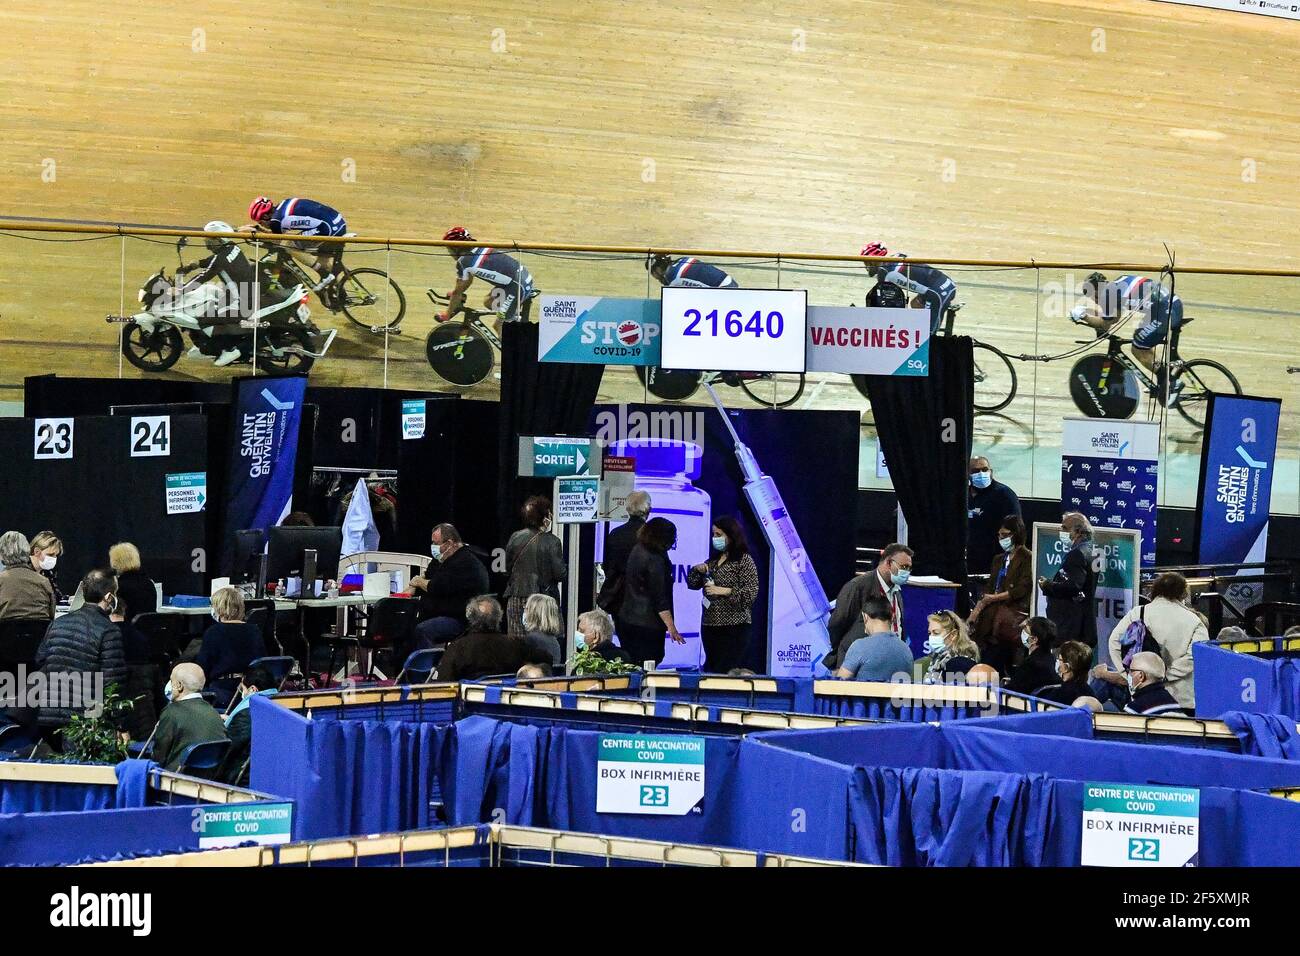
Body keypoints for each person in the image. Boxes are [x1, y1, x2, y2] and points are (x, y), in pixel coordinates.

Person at [175, 220, 286, 367]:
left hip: (241, 302)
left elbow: (202, 277)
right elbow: (214, 262)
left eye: (208, 238)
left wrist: (179, 290)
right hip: (248, 294)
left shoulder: (219, 259)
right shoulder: (233, 248)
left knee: (202, 317)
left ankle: (231, 349)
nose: (206, 241)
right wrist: (196, 264)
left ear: (219, 239)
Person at [1097, 573, 1207, 712]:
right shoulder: (1195, 621)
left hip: (1144, 698)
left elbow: (1114, 642)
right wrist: (1165, 675)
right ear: (1183, 594)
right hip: (1181, 700)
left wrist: (1130, 674)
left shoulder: (1138, 613)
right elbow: (1196, 656)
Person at [34, 569, 126, 735]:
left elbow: (40, 661)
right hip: (85, 720)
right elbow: (112, 683)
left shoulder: (57, 623)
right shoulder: (109, 631)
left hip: (49, 714)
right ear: (108, 597)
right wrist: (119, 725)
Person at [1072, 272, 1184, 377]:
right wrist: (1087, 311)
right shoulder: (1114, 286)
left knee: (1138, 348)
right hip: (1171, 306)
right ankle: (1165, 379)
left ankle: (1167, 381)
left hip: (1164, 312)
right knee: (1141, 341)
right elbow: (1114, 318)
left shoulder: (1107, 294)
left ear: (1095, 292)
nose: (1093, 300)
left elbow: (1105, 325)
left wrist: (1084, 317)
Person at [687, 516, 759, 673]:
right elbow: (692, 584)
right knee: (713, 669)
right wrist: (697, 570)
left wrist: (724, 591)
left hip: (735, 626)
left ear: (731, 536)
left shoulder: (744, 560)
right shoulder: (713, 561)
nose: (715, 538)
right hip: (710, 625)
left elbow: (750, 594)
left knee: (727, 670)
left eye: (719, 535)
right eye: (713, 534)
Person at [826, 543, 913, 668]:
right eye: (904, 567)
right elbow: (837, 623)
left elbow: (899, 626)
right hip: (857, 664)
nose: (907, 572)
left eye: (909, 568)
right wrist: (841, 652)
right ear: (888, 563)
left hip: (889, 662)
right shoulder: (858, 586)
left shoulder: (897, 592)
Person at [438, 226, 539, 333]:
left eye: (449, 248)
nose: (449, 252)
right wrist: (457, 294)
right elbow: (462, 287)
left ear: (456, 247)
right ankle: (512, 315)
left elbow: (459, 290)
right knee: (489, 301)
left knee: (499, 326)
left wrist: (447, 314)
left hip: (516, 286)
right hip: (519, 279)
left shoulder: (464, 262)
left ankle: (515, 348)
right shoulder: (478, 247)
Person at [247, 195, 348, 300]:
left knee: (290, 246)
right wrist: (258, 229)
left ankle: (324, 275)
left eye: (260, 222)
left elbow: (275, 240)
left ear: (265, 216)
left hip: (327, 228)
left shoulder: (276, 221)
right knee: (323, 263)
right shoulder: (282, 207)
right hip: (337, 223)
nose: (262, 225)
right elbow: (277, 233)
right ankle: (341, 292)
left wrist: (253, 234)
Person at [410, 523, 491, 648]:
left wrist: (419, 582)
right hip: (440, 613)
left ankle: (425, 666)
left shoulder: (465, 563)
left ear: (449, 543)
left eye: (436, 544)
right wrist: (409, 589)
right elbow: (426, 577)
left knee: (423, 630)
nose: (433, 547)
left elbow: (435, 586)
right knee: (404, 624)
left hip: (461, 619)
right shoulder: (441, 558)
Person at [969, 515, 1032, 675]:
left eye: (1005, 535)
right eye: (999, 535)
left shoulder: (1028, 558)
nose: (1001, 539)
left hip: (1011, 621)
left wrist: (994, 598)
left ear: (1016, 534)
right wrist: (977, 610)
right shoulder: (998, 560)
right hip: (990, 620)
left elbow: (1021, 589)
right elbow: (989, 589)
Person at [619, 517, 687, 666]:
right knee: (648, 666)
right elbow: (659, 597)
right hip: (648, 625)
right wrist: (672, 627)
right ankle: (647, 691)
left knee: (632, 665)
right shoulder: (655, 559)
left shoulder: (637, 549)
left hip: (628, 619)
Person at [859, 242, 957, 335]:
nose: (866, 266)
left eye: (866, 263)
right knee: (915, 304)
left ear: (873, 261)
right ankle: (917, 333)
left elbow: (884, 304)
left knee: (929, 334)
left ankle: (927, 340)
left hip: (938, 293)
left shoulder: (884, 273)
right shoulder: (894, 257)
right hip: (939, 285)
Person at [502, 497, 567, 638]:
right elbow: (560, 574)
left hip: (516, 596)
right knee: (543, 642)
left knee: (517, 643)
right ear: (545, 516)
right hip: (542, 600)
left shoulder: (515, 537)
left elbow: (507, 569)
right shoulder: (553, 541)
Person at [193, 587, 265, 710]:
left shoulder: (214, 632)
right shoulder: (255, 631)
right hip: (249, 691)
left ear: (219, 608)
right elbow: (262, 662)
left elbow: (202, 668)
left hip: (221, 692)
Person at [1037, 513, 1099, 648]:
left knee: (1066, 667)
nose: (1061, 532)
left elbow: (1073, 586)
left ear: (1078, 532)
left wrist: (1047, 585)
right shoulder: (1094, 551)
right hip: (1083, 625)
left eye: (1065, 528)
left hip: (1070, 629)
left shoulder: (1077, 554)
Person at [151, 663, 228, 771]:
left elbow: (159, 755)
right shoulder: (213, 712)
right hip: (210, 777)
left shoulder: (171, 712)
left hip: (176, 778)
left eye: (171, 680)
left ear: (179, 685)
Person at [436, 596, 528, 682]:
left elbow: (444, 682)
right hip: (507, 696)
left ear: (470, 618)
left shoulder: (458, 648)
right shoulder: (516, 644)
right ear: (499, 617)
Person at [595, 490, 651, 630]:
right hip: (644, 602)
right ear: (648, 509)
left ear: (627, 508)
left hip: (619, 599)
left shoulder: (615, 534)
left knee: (625, 641)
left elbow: (607, 566)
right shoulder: (651, 535)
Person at [834, 596, 915, 682]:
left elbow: (839, 682)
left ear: (865, 617)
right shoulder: (906, 650)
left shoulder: (860, 647)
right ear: (892, 617)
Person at [220, 665, 278, 784]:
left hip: (241, 777)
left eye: (243, 689)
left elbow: (227, 751)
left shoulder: (247, 715)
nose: (242, 693)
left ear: (252, 689)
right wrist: (233, 719)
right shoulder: (278, 705)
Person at [966, 457, 1022, 574]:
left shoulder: (1004, 495)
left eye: (985, 470)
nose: (981, 474)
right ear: (968, 473)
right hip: (970, 560)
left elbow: (1016, 529)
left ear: (991, 472)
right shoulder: (964, 494)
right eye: (976, 471)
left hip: (995, 560)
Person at [0, 530, 55, 623]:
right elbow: (52, 614)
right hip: (40, 635)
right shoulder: (43, 581)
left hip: (5, 635)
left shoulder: (1, 580)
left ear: (1, 555)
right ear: (27, 551)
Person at [922, 610, 980, 683]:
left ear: (953, 635)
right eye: (929, 633)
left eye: (936, 633)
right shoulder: (936, 661)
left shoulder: (959, 665)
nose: (931, 637)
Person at [1006, 616, 1059, 695]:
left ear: (1034, 639)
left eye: (1026, 630)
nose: (1023, 632)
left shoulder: (1031, 665)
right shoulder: (1051, 659)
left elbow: (1012, 689)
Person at [1122, 652, 1186, 717]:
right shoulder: (1173, 703)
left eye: (1131, 671)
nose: (1129, 674)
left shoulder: (1134, 709)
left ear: (1141, 676)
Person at [1033, 640, 1093, 706]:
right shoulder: (1089, 692)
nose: (1057, 661)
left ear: (1066, 667)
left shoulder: (1060, 694)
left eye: (1059, 659)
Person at [109, 542, 158, 621]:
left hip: (125, 631)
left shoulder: (119, 587)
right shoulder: (149, 583)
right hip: (146, 631)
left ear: (116, 562)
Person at [520, 593, 564, 668]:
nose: (524, 612)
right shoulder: (553, 640)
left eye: (526, 609)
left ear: (534, 613)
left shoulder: (532, 639)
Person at [648, 254, 739, 289]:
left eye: (652, 272)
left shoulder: (673, 279)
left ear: (658, 269)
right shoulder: (682, 259)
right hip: (729, 282)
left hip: (725, 289)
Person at [28, 531, 65, 604]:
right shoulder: (21, 570)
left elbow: (56, 596)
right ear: (36, 552)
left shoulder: (47, 572)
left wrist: (68, 599)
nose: (54, 559)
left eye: (56, 555)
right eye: (50, 555)